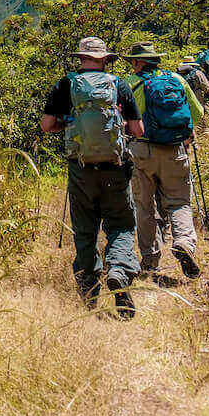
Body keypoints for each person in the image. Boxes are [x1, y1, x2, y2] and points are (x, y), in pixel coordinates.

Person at [42, 37, 145, 317]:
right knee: (121, 225)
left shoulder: (66, 84)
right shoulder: (118, 85)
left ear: (81, 58)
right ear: (104, 59)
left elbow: (47, 125)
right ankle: (120, 273)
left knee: (85, 230)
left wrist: (69, 124)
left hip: (80, 169)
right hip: (115, 168)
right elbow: (138, 130)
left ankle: (88, 293)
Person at [121, 42, 205, 279]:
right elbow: (197, 114)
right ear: (156, 60)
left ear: (138, 62)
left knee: (144, 207)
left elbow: (119, 121)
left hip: (142, 151)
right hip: (175, 151)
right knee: (179, 202)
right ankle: (184, 243)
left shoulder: (129, 84)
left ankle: (150, 260)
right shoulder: (178, 81)